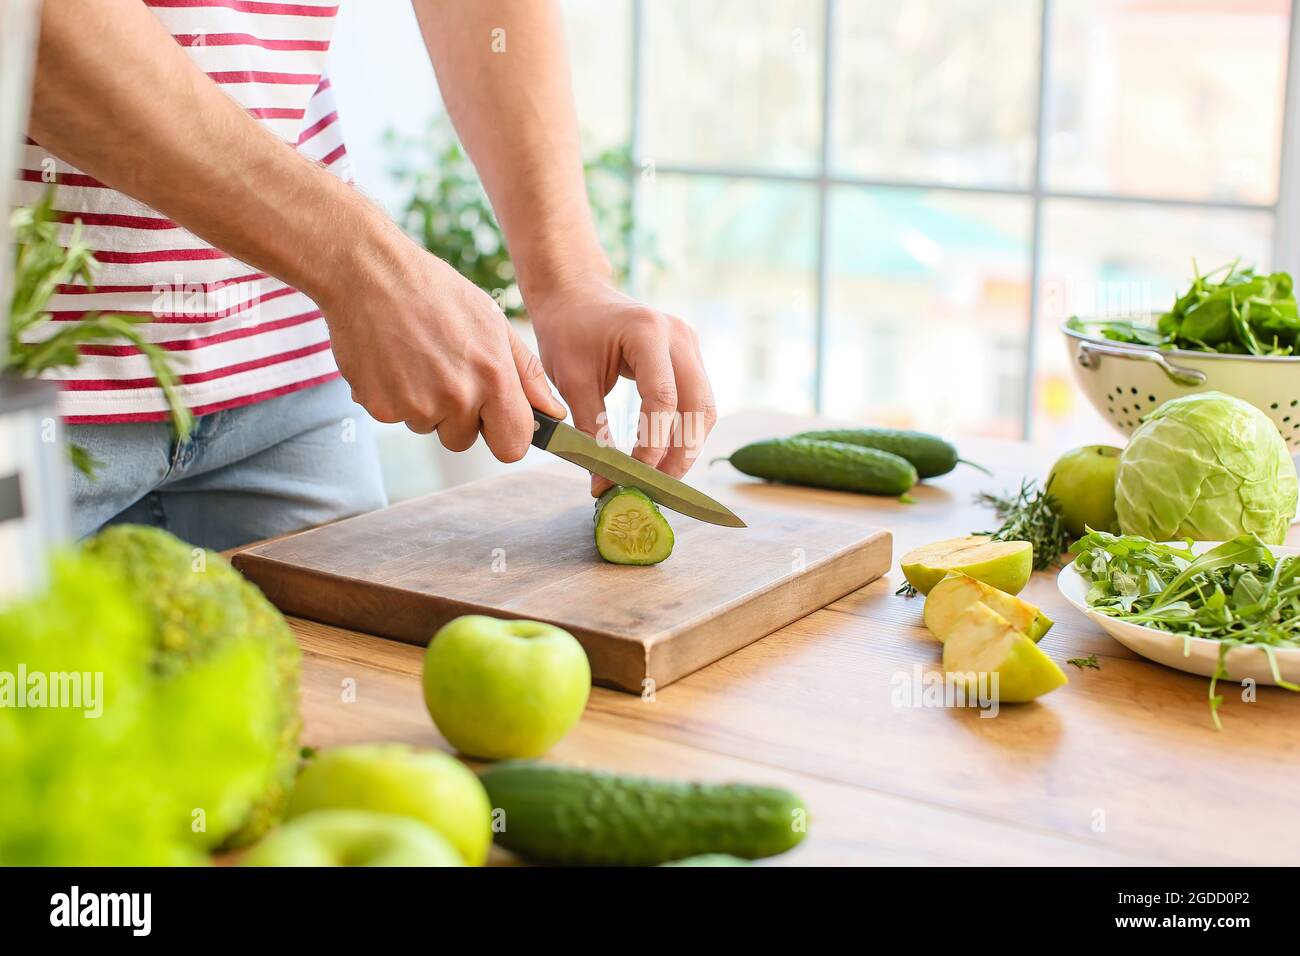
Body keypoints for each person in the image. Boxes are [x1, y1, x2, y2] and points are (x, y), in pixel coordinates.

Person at [21, 0, 716, 550]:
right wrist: (357, 263)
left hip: (288, 370)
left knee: (336, 720)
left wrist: (567, 277)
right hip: (23, 393)